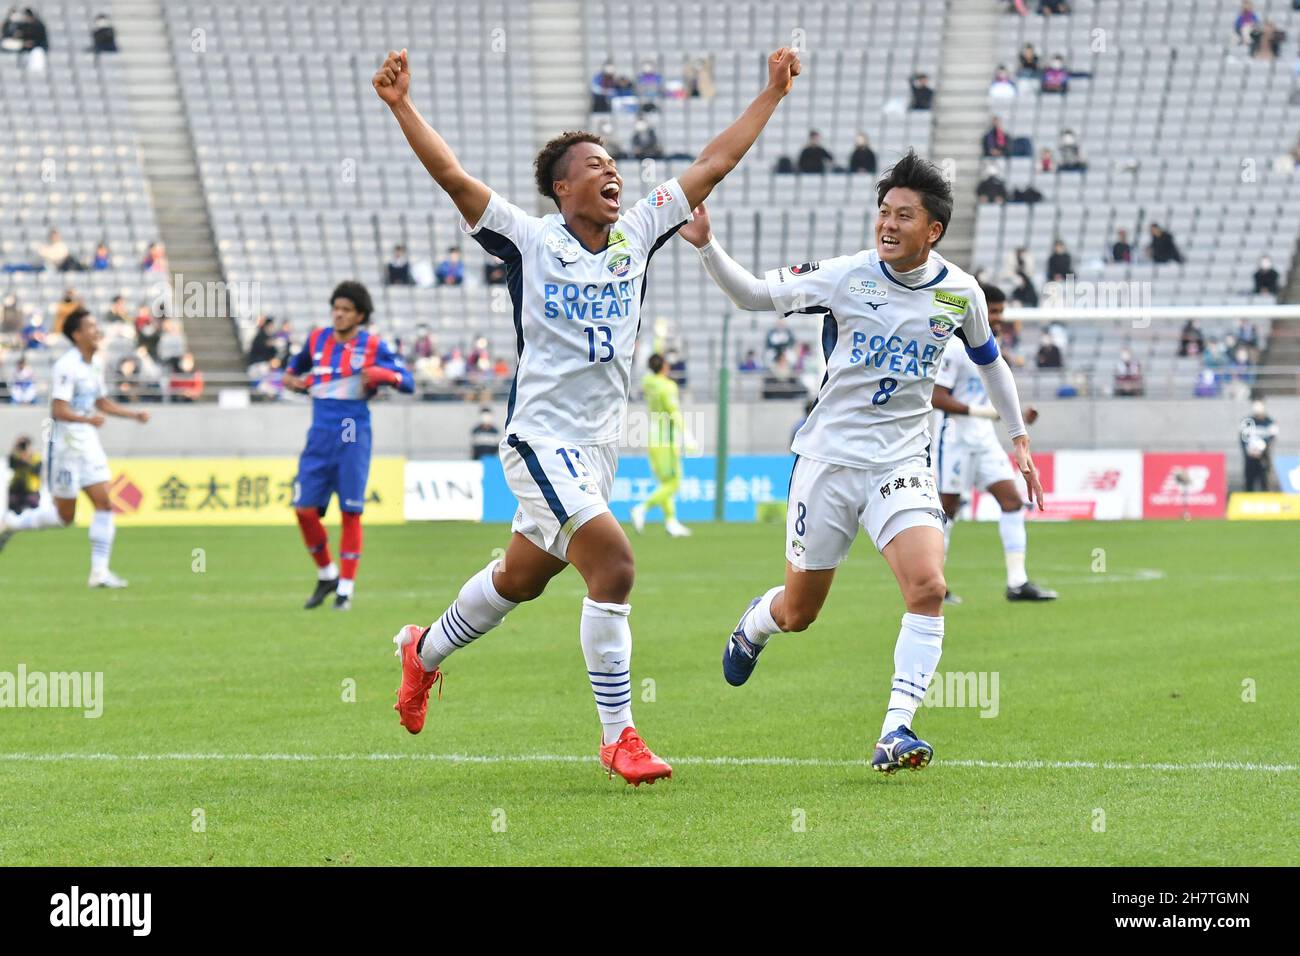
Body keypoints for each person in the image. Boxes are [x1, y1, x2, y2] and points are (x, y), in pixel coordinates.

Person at [372, 45, 800, 784]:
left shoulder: (637, 232)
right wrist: (403, 105)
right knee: (616, 565)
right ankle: (618, 737)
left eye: (615, 165)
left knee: (520, 579)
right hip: (540, 440)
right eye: (596, 165)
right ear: (562, 186)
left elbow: (714, 162)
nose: (613, 173)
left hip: (598, 448)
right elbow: (452, 177)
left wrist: (771, 94)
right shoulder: (529, 239)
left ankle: (422, 652)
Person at [681, 150, 1044, 773]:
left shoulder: (960, 293)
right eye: (883, 211)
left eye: (904, 215)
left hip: (901, 461)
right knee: (800, 612)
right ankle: (754, 627)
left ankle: (896, 729)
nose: (888, 223)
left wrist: (1018, 438)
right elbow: (751, 295)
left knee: (928, 587)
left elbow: (990, 362)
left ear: (933, 230)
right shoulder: (847, 276)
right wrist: (708, 247)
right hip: (826, 461)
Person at [283, 281, 414, 611]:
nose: (338, 315)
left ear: (360, 315)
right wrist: (292, 380)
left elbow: (406, 381)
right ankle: (327, 573)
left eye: (345, 310)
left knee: (351, 511)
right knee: (303, 509)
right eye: (335, 308)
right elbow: (291, 370)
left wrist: (383, 374)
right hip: (319, 437)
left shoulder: (372, 345)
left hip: (352, 435)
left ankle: (345, 589)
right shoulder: (317, 339)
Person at [0, 308, 150, 582]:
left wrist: (133, 415)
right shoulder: (66, 366)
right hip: (66, 447)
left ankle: (99, 572)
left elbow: (101, 401)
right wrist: (88, 419)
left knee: (104, 503)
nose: (97, 331)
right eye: (91, 327)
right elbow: (58, 409)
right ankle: (11, 523)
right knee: (64, 516)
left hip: (88, 443)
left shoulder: (94, 364)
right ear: (77, 335)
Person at [932, 284, 1056, 604]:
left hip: (984, 439)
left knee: (1012, 501)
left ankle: (1017, 582)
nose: (998, 317)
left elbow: (992, 391)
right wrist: (986, 412)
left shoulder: (990, 345)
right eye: (993, 310)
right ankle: (935, 584)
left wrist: (1017, 415)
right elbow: (937, 397)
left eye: (1001, 311)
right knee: (947, 510)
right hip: (955, 439)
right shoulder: (954, 347)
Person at [631, 352, 693, 538]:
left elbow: (654, 359)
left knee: (664, 482)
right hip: (667, 438)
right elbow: (674, 412)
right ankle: (642, 508)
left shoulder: (648, 381)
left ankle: (671, 521)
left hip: (653, 436)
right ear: (664, 366)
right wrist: (687, 435)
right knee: (674, 483)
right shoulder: (668, 386)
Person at [1239, 399, 1278, 491]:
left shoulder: (1270, 421)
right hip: (1250, 456)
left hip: (1263, 456)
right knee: (1249, 480)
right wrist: (1248, 451)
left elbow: (1272, 439)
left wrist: (1262, 450)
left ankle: (1265, 499)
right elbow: (1242, 438)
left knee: (1265, 480)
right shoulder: (1247, 421)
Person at [7, 435, 41, 513]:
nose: (23, 448)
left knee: (32, 514)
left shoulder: (36, 457)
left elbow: (36, 471)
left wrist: (27, 458)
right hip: (16, 489)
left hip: (31, 491)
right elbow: (11, 464)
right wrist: (15, 448)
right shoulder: (16, 456)